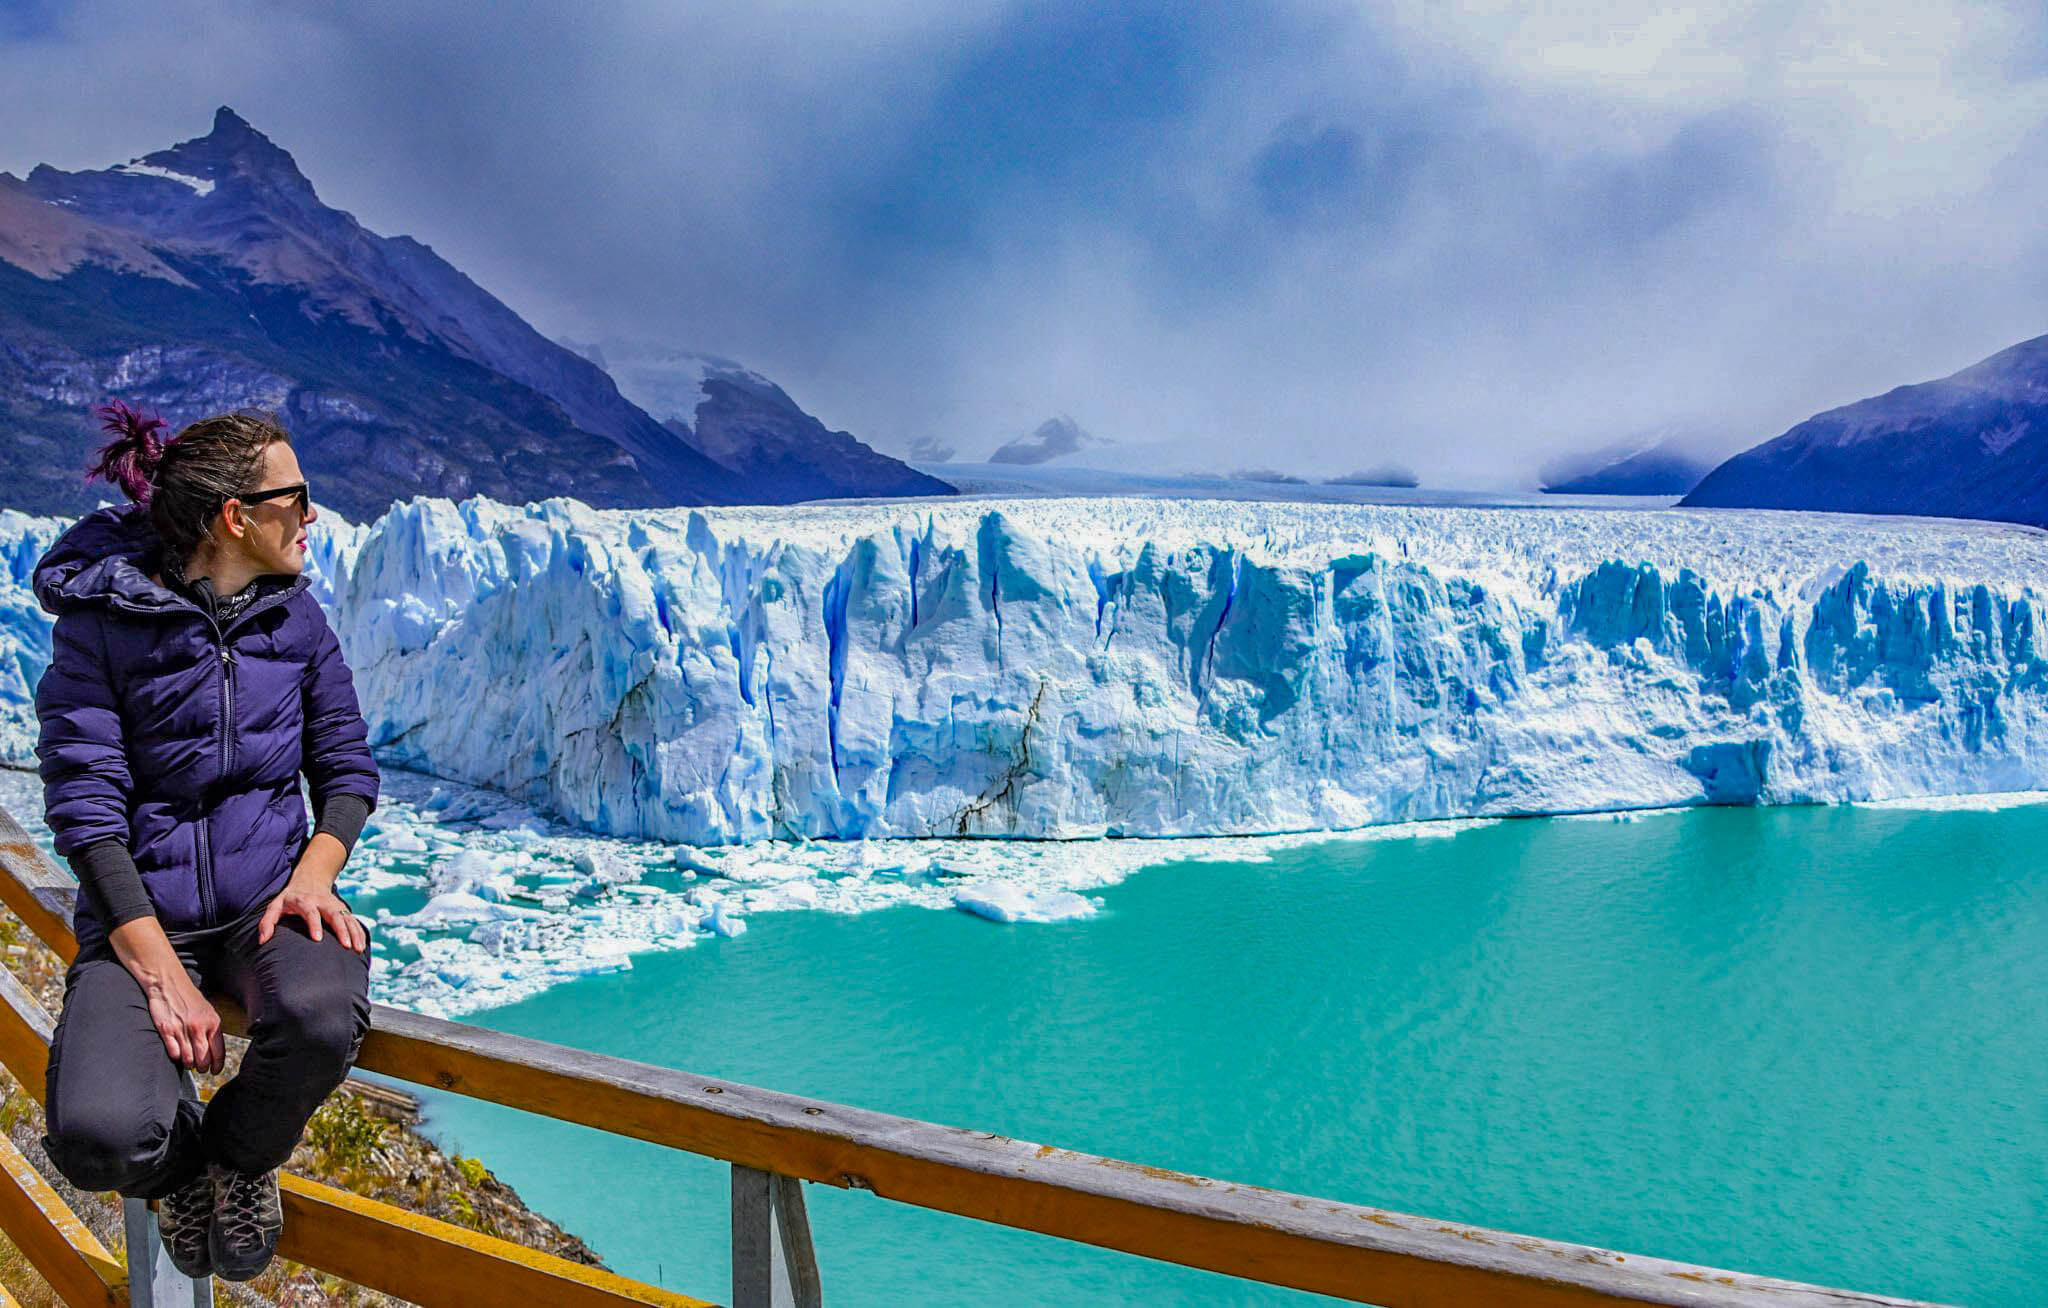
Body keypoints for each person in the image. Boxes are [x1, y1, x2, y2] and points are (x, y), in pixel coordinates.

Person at [30, 401, 380, 1283]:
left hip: (266, 902)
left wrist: (315, 875)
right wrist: (158, 973)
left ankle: (236, 1158)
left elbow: (345, 768)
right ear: (236, 519)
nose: (312, 517)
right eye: (296, 499)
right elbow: (86, 810)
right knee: (96, 1136)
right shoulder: (101, 626)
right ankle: (186, 1172)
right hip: (141, 918)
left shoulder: (298, 624)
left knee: (321, 1016)